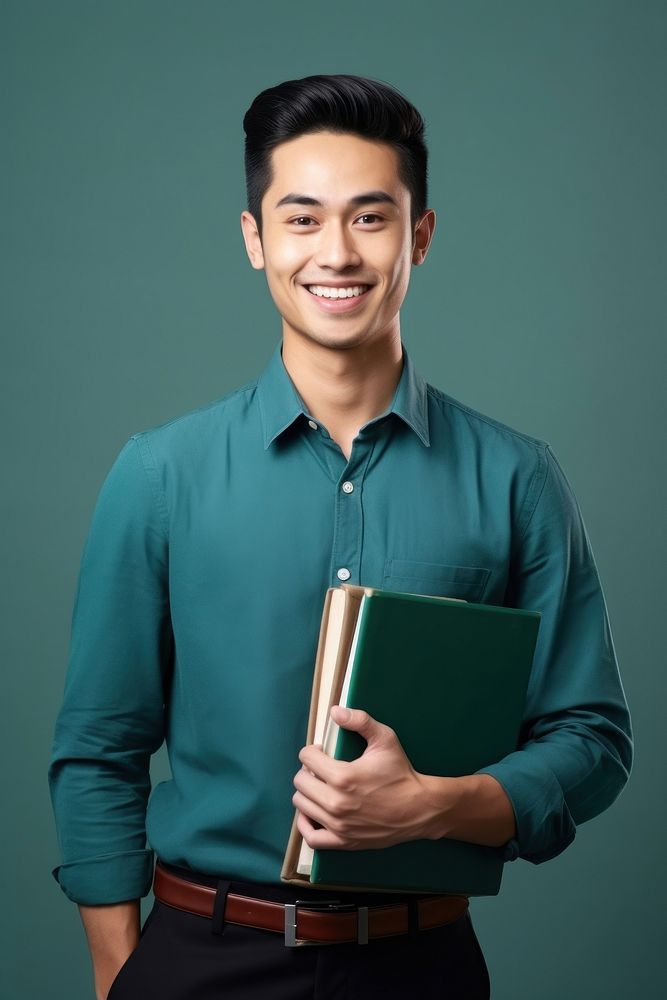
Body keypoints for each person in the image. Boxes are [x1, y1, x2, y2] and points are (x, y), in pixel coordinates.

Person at [48, 74, 632, 1000]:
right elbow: (99, 750)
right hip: (198, 960)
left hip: (422, 963)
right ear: (255, 240)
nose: (336, 253)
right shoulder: (160, 475)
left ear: (420, 236)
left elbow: (591, 737)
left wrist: (439, 804)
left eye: (370, 218)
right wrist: (122, 973)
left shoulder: (517, 477)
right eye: (302, 218)